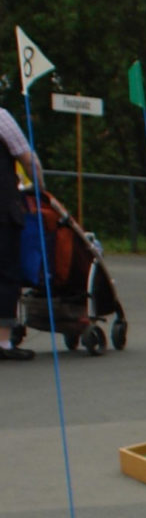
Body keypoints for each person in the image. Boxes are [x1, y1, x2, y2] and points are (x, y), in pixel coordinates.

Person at [0, 103, 41, 360]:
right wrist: (40, 188)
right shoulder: (2, 118)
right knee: (5, 274)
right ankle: (3, 342)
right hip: (2, 209)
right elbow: (28, 159)